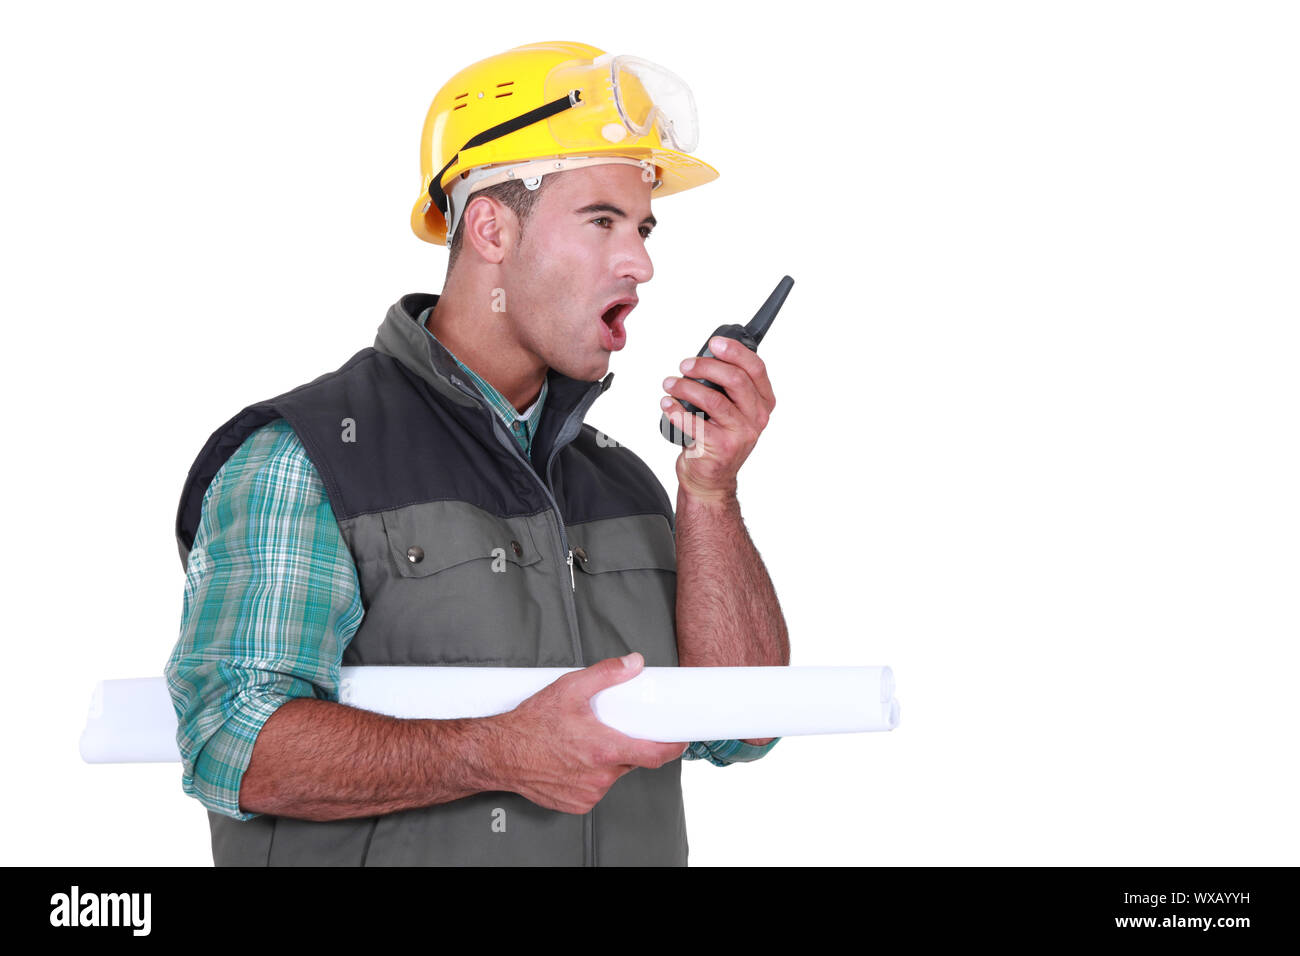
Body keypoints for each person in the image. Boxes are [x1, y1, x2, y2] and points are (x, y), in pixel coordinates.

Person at [166, 40, 790, 866]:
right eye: (601, 220)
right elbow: (227, 736)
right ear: (491, 226)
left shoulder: (627, 483)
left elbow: (741, 726)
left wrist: (709, 491)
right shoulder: (308, 457)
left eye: (640, 228)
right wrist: (493, 751)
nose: (639, 261)